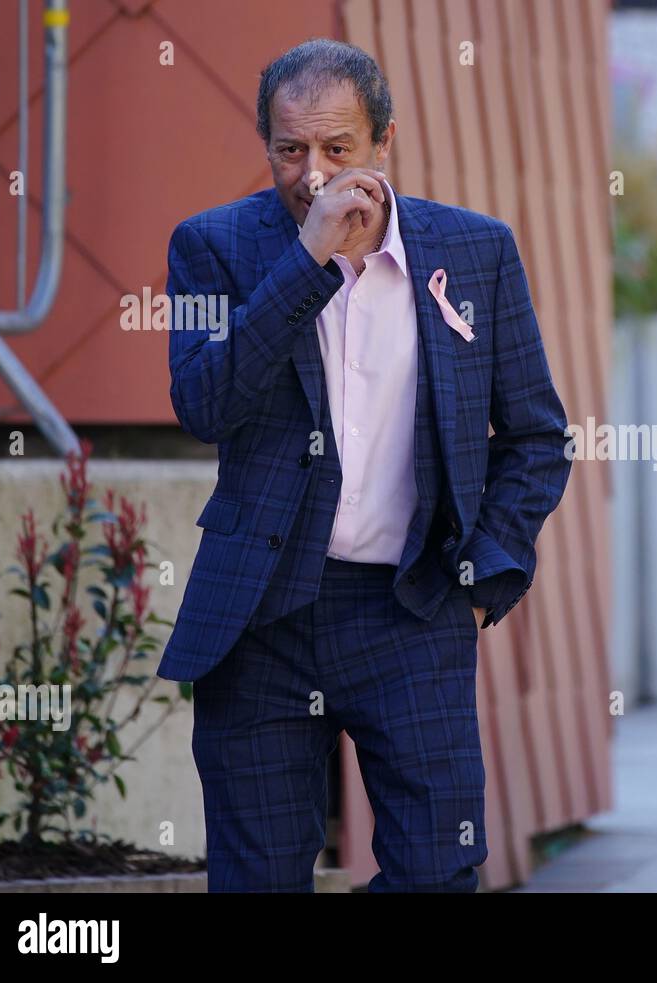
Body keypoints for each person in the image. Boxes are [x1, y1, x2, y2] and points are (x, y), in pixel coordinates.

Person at [158, 39, 571, 892]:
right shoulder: (211, 247)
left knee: (439, 870)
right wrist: (304, 262)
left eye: (337, 149)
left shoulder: (477, 252)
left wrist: (483, 575)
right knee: (259, 879)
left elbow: (536, 437)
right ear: (266, 142)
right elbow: (203, 404)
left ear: (384, 141)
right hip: (262, 617)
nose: (313, 174)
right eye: (290, 149)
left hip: (411, 606)